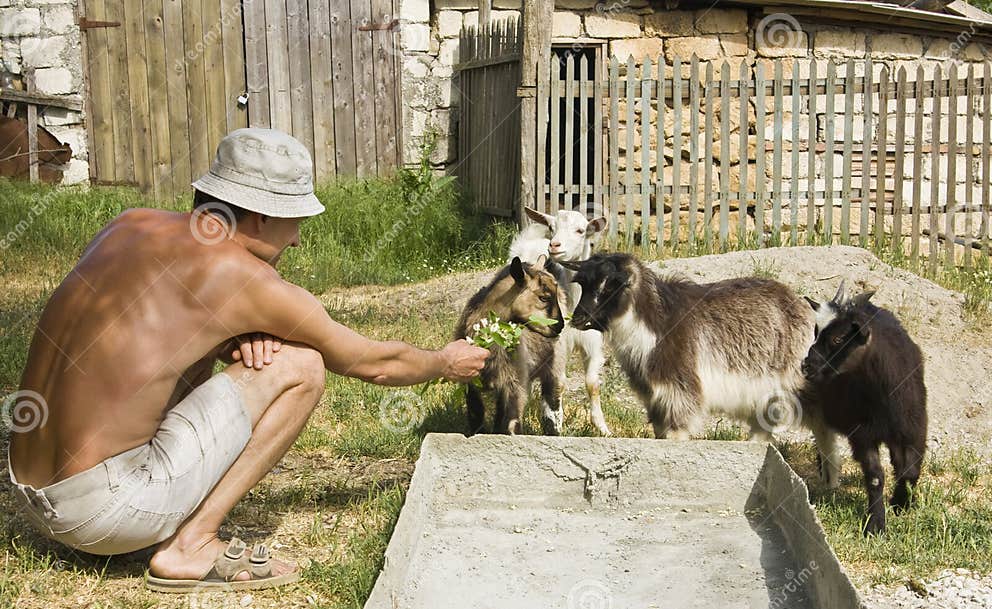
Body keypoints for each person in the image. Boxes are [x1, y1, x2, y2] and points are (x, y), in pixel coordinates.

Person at [7, 128, 490, 592]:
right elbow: (373, 362)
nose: (298, 239)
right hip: (105, 512)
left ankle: (156, 522)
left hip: (30, 490)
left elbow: (155, 332)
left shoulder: (129, 224)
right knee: (302, 366)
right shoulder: (241, 277)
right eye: (295, 220)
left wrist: (232, 337)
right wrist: (444, 362)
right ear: (261, 216)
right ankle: (190, 546)